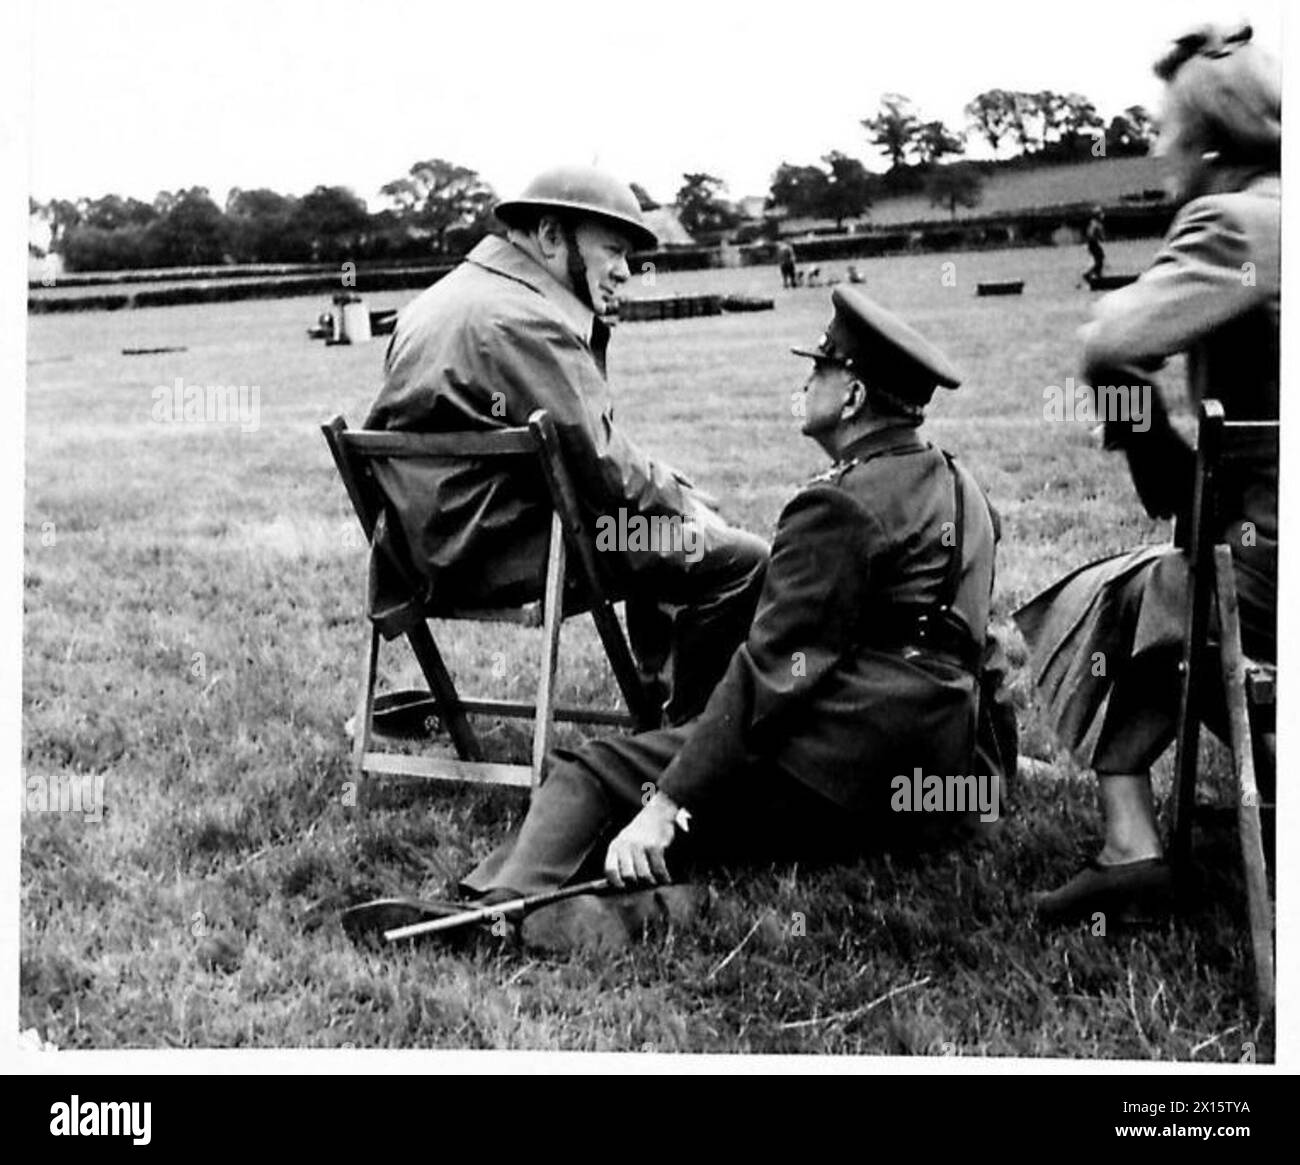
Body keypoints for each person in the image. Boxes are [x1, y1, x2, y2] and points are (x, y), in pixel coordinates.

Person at [455, 288, 1014, 946]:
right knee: (679, 787)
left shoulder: (837, 505)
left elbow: (773, 671)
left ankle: (507, 910)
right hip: (928, 780)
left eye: (821, 369)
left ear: (855, 396)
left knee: (591, 769)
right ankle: (529, 891)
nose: (808, 381)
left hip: (840, 776)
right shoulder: (960, 485)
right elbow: (981, 648)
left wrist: (667, 799)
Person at [1015, 23, 1279, 924]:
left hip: (1271, 572)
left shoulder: (1239, 222)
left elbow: (1107, 342)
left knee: (1123, 596)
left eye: (1165, 130)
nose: (1159, 150)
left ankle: (1130, 844)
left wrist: (1154, 453)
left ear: (1208, 143)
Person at [363, 165, 769, 725]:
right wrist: (686, 504)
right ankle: (687, 738)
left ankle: (662, 702)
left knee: (662, 524)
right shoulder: (525, 320)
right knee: (736, 556)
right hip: (500, 554)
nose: (625, 272)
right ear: (552, 237)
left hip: (421, 553)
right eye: (613, 251)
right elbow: (605, 471)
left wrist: (669, 493)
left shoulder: (437, 301)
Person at [1083, 207, 1106, 283]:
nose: (1102, 216)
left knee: (1100, 258)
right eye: (1100, 214)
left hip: (1094, 243)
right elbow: (1090, 234)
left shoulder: (1096, 223)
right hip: (1093, 244)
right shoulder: (1094, 223)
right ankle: (1090, 275)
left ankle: (1097, 275)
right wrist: (1097, 237)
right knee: (1099, 259)